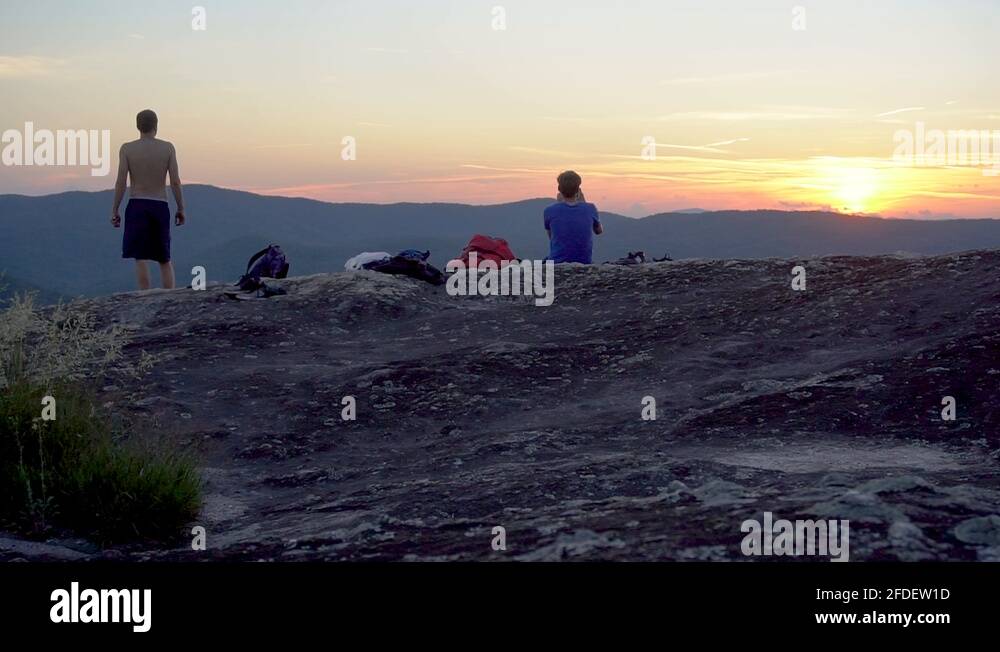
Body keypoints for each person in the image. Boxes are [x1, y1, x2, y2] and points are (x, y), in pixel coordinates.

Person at [111, 109, 186, 289]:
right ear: (156, 126)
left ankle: (144, 298)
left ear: (138, 126)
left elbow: (121, 182)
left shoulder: (127, 149)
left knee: (140, 256)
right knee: (164, 257)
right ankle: (170, 298)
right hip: (160, 204)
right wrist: (181, 207)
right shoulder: (167, 148)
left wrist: (115, 209)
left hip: (137, 203)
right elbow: (175, 181)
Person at [543, 170, 603, 264]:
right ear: (578, 190)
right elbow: (599, 231)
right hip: (584, 261)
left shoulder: (549, 210)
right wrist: (584, 202)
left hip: (557, 261)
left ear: (559, 188)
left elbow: (552, 236)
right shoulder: (590, 208)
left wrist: (559, 204)